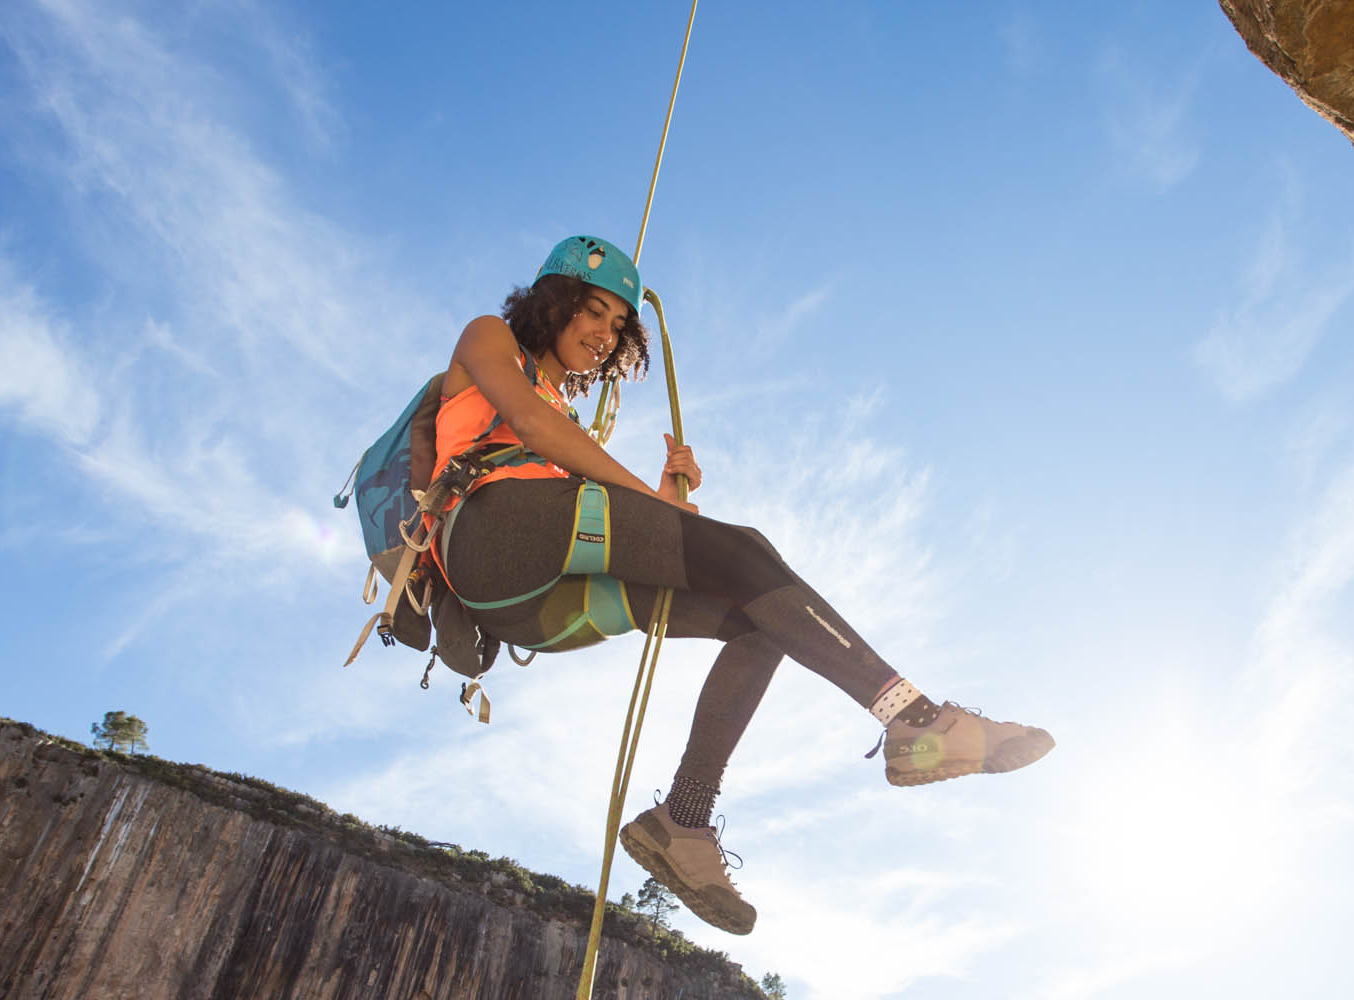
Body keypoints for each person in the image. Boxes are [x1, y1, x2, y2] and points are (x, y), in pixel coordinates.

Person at [430, 235, 1053, 936]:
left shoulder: (568, 414)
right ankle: (915, 719)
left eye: (616, 329)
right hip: (492, 537)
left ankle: (685, 820)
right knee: (746, 551)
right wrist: (651, 503)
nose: (604, 336)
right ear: (553, 301)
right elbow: (532, 424)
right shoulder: (491, 339)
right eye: (593, 312)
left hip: (536, 607)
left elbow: (593, 500)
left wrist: (664, 500)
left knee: (759, 614)